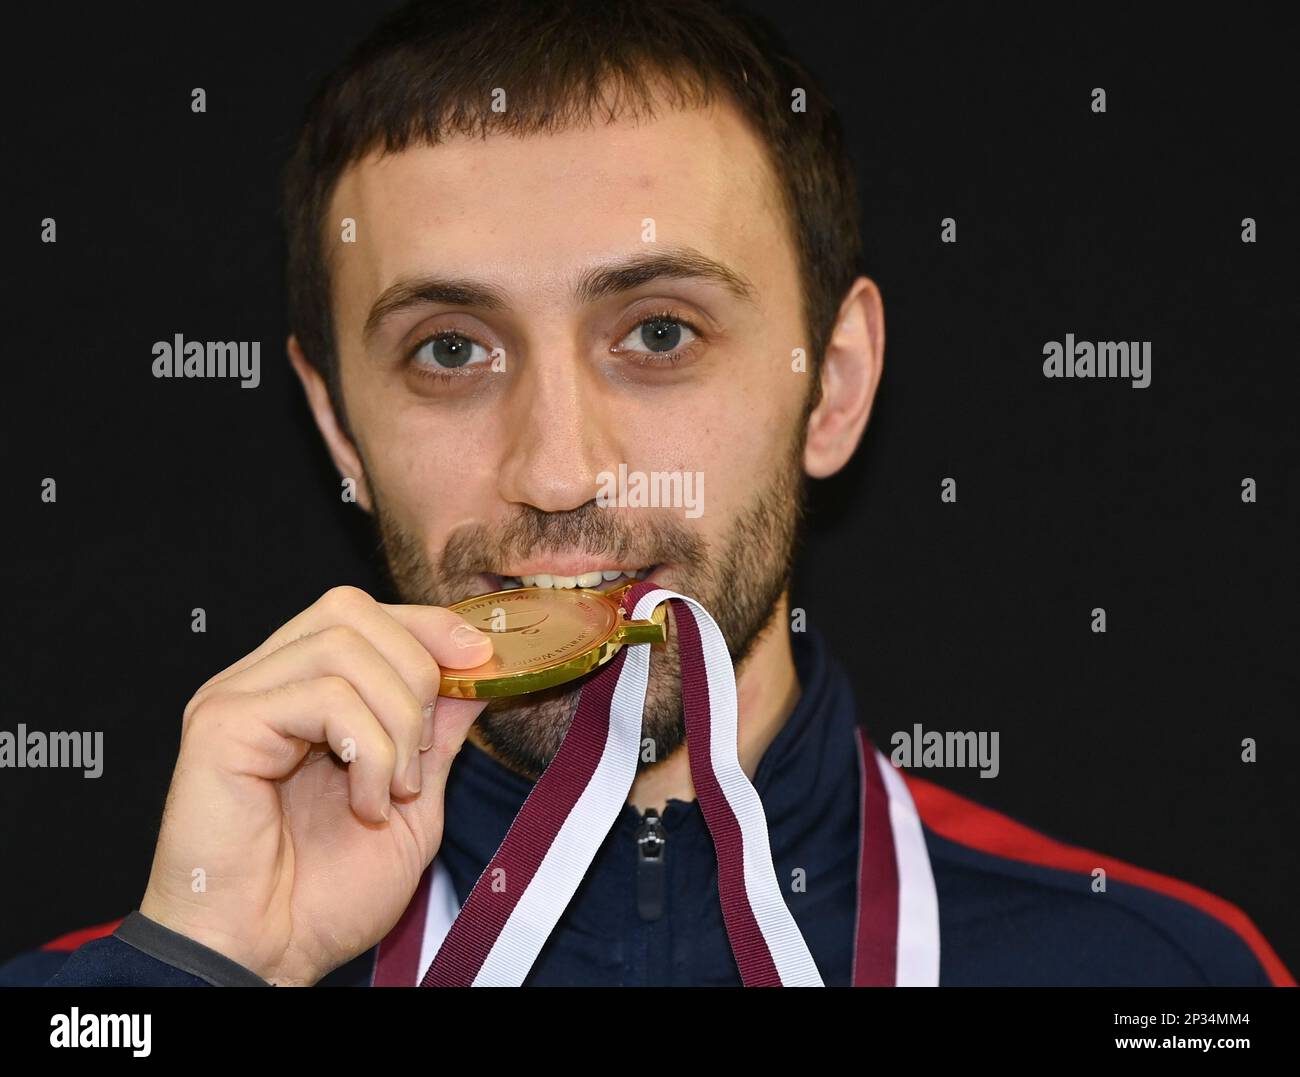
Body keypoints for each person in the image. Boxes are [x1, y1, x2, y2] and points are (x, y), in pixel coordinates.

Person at [3, 0, 1291, 988]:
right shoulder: (133, 984)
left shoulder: (1158, 974)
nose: (559, 473)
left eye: (660, 333)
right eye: (452, 349)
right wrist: (197, 975)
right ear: (339, 426)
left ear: (832, 387)